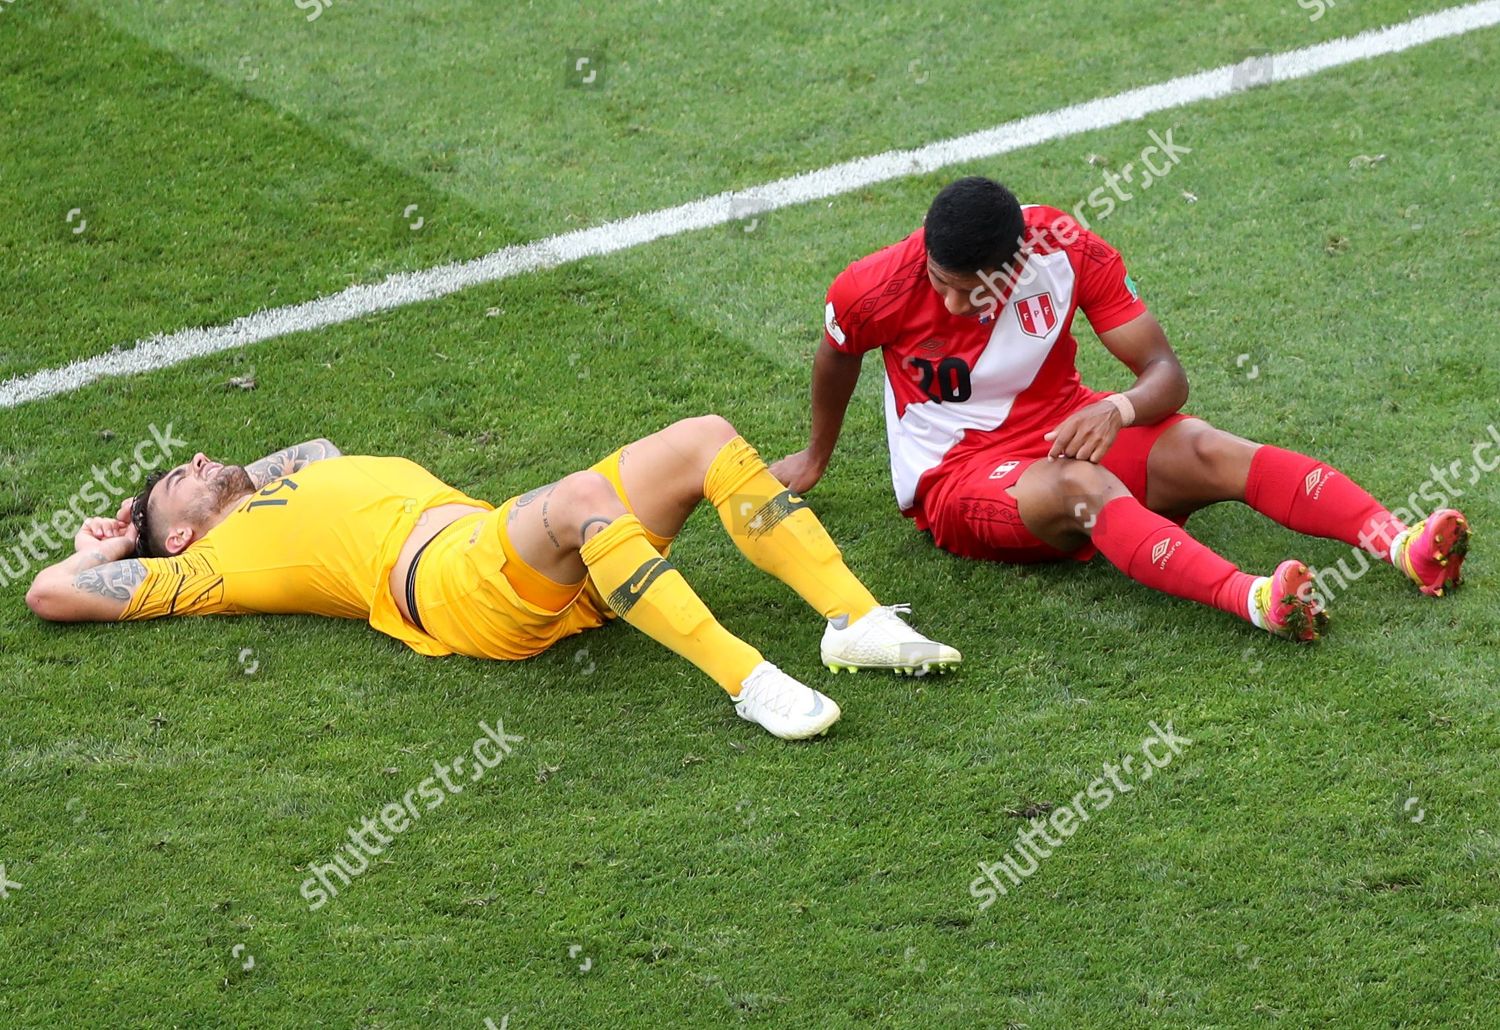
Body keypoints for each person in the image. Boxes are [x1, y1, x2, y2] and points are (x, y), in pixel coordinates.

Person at [772, 176, 1468, 639]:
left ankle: (1404, 547)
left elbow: (1164, 372)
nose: (955, 303)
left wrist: (1124, 410)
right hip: (959, 478)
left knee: (1205, 446)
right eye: (941, 283)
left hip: (1068, 427)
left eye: (973, 287)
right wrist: (814, 456)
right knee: (1085, 485)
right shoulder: (873, 288)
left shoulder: (1066, 250)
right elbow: (838, 354)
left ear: (1016, 261)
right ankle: (1257, 601)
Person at [25, 417, 960, 739]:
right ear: (179, 539)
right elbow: (49, 594)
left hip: (513, 551)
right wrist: (109, 545)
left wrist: (198, 494)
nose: (194, 457)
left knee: (706, 441)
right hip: (458, 587)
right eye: (177, 479)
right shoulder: (212, 567)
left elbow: (308, 449)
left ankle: (855, 620)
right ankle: (750, 682)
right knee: (581, 496)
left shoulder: (287, 481)